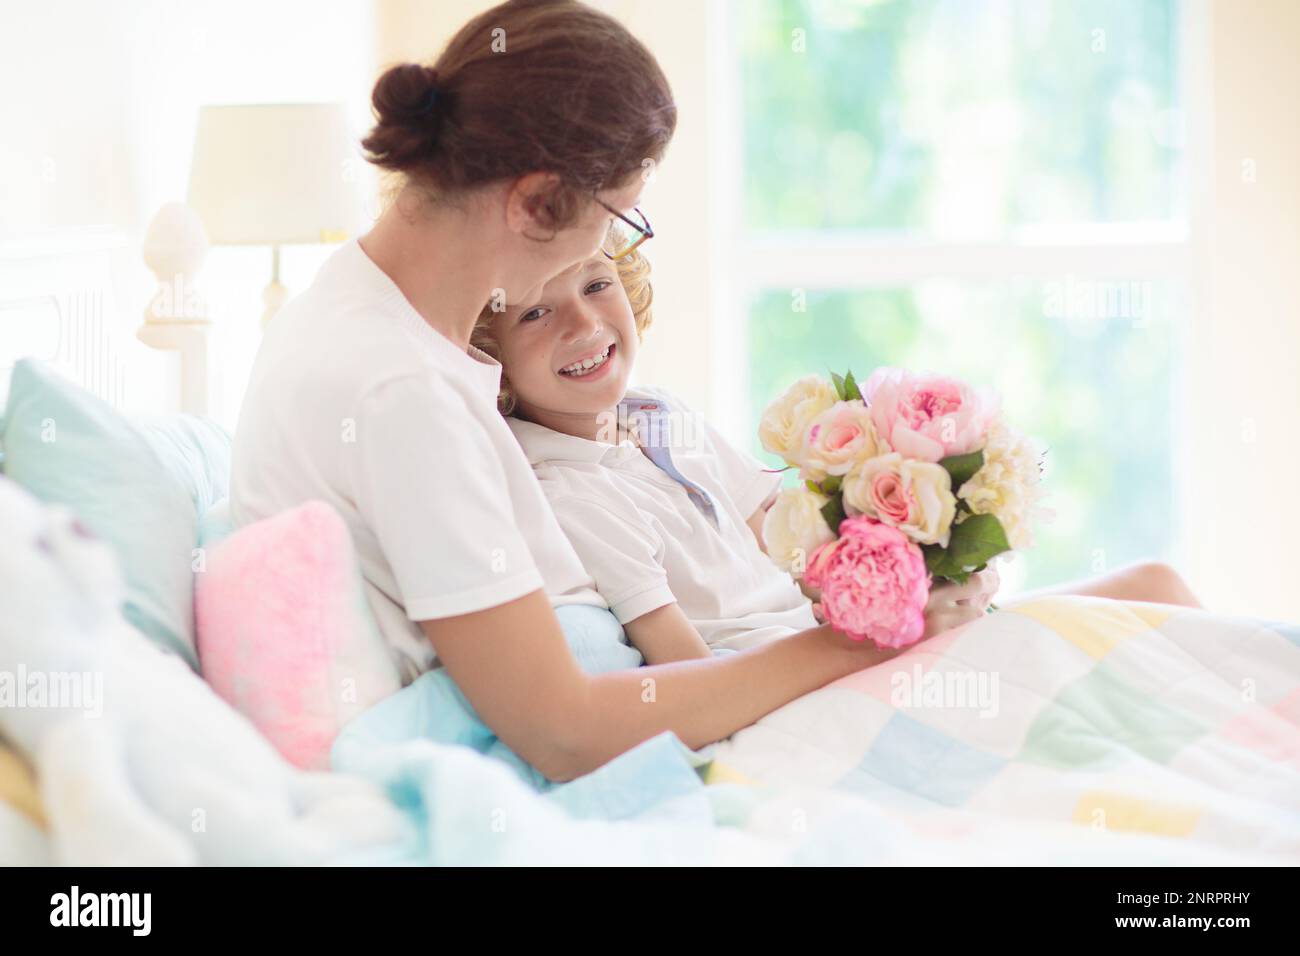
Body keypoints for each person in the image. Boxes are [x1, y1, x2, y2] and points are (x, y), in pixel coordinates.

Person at [230, 0, 995, 784]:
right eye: (616, 214)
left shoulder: (360, 313)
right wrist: (864, 637)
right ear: (535, 203)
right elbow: (565, 731)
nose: (612, 244)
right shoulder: (401, 392)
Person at [472, 237, 1201, 666]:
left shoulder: (661, 414)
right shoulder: (566, 491)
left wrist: (924, 586)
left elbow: (795, 547)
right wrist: (875, 647)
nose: (583, 322)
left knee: (1156, 584)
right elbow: (686, 670)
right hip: (813, 679)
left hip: (848, 639)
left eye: (598, 283)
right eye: (535, 311)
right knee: (1131, 623)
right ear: (490, 353)